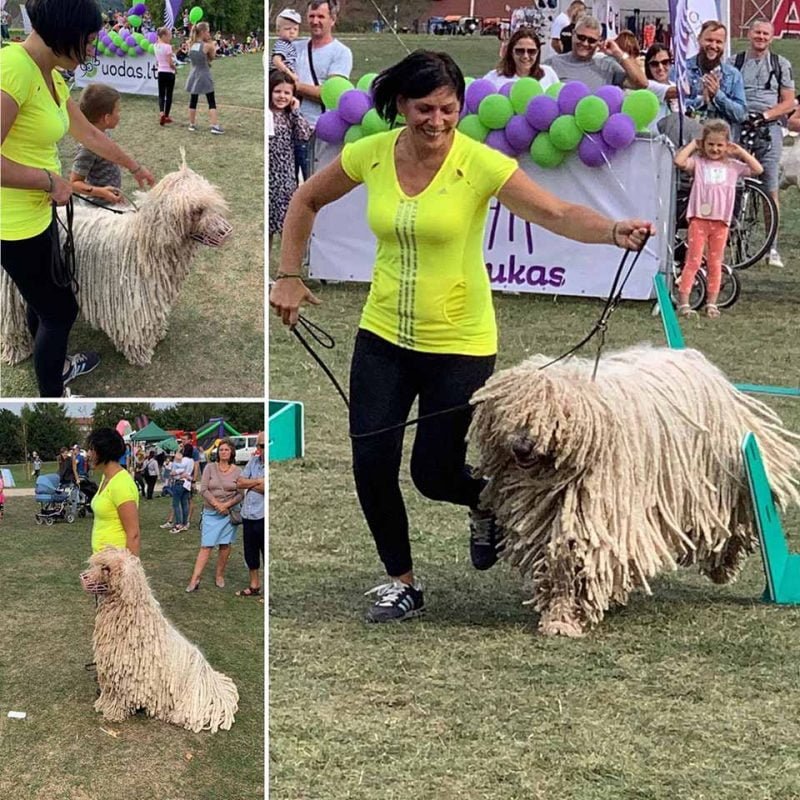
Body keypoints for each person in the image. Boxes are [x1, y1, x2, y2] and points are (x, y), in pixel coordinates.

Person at [269, 50, 654, 623]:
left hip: (460, 344)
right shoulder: (371, 152)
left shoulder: (479, 162)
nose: (437, 121)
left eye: (448, 109)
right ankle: (402, 583)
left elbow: (555, 212)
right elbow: (306, 198)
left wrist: (613, 230)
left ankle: (487, 503)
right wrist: (288, 273)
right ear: (402, 105)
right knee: (370, 462)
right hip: (381, 336)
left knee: (433, 473)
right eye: (425, 109)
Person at [0, 0, 155, 398]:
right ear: (64, 32)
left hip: (39, 216)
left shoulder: (52, 76)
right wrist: (49, 181)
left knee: (42, 301)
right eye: (87, 41)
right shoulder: (12, 69)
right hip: (12, 225)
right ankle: (53, 394)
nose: (90, 51)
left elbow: (87, 132)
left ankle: (52, 364)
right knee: (61, 310)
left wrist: (134, 166)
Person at [673, 119, 762, 319]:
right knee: (693, 261)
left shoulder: (733, 166)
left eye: (720, 145)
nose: (715, 149)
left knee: (715, 262)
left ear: (727, 145)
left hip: (721, 222)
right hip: (699, 219)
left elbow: (758, 169)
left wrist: (740, 152)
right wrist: (693, 145)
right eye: (710, 144)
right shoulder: (698, 163)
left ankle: (712, 303)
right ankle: (684, 301)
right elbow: (679, 161)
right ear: (704, 144)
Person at [729, 19, 795, 268]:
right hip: (740, 124)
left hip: (768, 128)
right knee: (731, 182)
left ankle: (772, 247)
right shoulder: (734, 62)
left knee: (770, 185)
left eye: (766, 33)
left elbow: (788, 102)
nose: (761, 37)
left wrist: (765, 115)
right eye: (757, 32)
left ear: (772, 37)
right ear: (749, 34)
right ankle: (727, 238)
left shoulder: (780, 64)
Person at [292, 0, 353, 179]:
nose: (315, 21)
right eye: (311, 16)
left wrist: (295, 86)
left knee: (315, 183)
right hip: (292, 127)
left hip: (321, 131)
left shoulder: (341, 52)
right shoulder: (295, 48)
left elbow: (330, 94)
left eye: (321, 16)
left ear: (332, 20)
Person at [185, 438, 243, 593]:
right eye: (221, 449)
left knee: (225, 545)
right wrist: (217, 504)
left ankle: (219, 575)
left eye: (226, 450)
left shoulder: (238, 471)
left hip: (228, 513)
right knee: (206, 546)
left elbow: (240, 494)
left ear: (232, 452)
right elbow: (203, 489)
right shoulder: (210, 468)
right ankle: (194, 579)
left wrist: (226, 505)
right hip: (211, 512)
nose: (223, 452)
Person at [269, 70, 312, 250]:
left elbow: (304, 135)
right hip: (269, 178)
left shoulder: (290, 116)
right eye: (277, 91)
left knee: (285, 226)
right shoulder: (267, 114)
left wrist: (295, 111)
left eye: (287, 93)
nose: (282, 96)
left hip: (285, 179)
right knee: (268, 226)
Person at [545, 15, 647, 91]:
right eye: (581, 37)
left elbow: (642, 83)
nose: (585, 43)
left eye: (591, 40)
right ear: (573, 34)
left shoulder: (607, 66)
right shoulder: (552, 64)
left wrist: (618, 53)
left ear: (599, 41)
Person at [680, 20, 746, 128]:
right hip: (689, 135)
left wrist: (717, 95)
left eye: (718, 42)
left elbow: (741, 115)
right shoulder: (682, 70)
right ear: (699, 39)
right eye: (709, 40)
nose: (713, 46)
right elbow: (673, 106)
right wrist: (702, 100)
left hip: (721, 136)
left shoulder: (733, 74)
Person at [68, 83, 124, 206]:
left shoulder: (104, 135)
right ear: (106, 118)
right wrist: (102, 192)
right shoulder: (88, 148)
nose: (119, 114)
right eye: (118, 111)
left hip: (110, 202)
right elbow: (74, 183)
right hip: (96, 208)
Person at [86, 428, 140, 556]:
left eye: (92, 450)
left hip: (117, 562)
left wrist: (127, 566)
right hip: (102, 560)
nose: (88, 454)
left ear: (103, 452)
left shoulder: (121, 485)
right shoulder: (106, 478)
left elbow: (133, 535)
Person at [235, 432, 265, 597]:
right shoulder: (253, 461)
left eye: (266, 446)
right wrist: (258, 481)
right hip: (248, 515)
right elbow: (239, 482)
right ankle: (254, 586)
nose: (263, 449)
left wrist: (250, 483)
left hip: (263, 516)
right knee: (250, 552)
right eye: (261, 446)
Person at [482, 28, 558, 91]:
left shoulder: (548, 74)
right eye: (520, 51)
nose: (525, 56)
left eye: (531, 51)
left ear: (538, 52)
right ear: (511, 52)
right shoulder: (493, 78)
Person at [185, 21, 223, 134]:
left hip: (193, 73)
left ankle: (191, 124)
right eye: (208, 31)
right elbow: (212, 58)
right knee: (211, 101)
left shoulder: (190, 44)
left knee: (193, 100)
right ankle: (214, 126)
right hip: (204, 74)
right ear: (202, 32)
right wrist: (213, 46)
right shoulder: (207, 45)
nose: (209, 33)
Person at [644, 43, 677, 129]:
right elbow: (677, 92)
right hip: (653, 136)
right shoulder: (648, 86)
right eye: (654, 64)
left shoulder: (674, 85)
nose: (660, 68)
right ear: (648, 67)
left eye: (665, 62)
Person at [169, 442, 195, 533]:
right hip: (187, 484)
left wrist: (175, 472)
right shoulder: (191, 460)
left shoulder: (183, 460)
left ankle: (178, 524)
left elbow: (178, 468)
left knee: (176, 504)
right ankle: (184, 523)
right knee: (185, 504)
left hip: (180, 482)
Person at [155, 26, 177, 126]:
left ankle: (161, 112)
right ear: (163, 36)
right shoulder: (167, 47)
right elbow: (170, 62)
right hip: (169, 72)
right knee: (169, 95)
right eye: (169, 35)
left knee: (161, 94)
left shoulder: (155, 46)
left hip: (160, 71)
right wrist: (174, 68)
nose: (170, 37)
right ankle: (167, 115)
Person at [272, 8, 301, 79]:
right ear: (278, 31)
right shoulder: (282, 44)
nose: (292, 32)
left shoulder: (288, 44)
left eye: (295, 29)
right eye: (288, 28)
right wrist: (290, 74)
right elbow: (276, 61)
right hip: (280, 76)